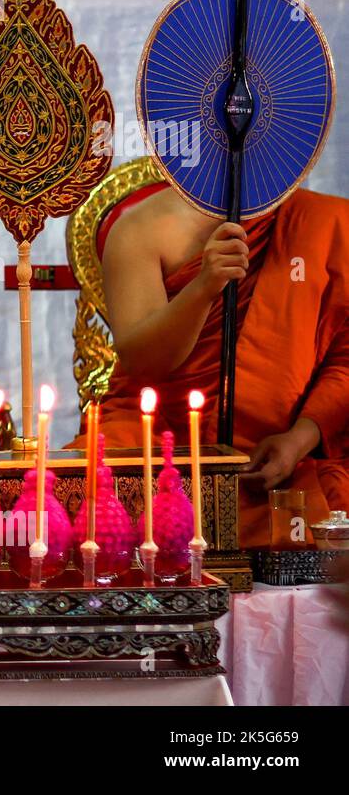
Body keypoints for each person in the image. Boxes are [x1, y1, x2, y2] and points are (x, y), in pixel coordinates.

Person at [90, 184, 349, 546]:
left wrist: (298, 440)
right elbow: (142, 364)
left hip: (276, 454)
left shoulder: (326, 223)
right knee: (97, 509)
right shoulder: (141, 227)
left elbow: (344, 359)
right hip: (155, 436)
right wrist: (204, 286)